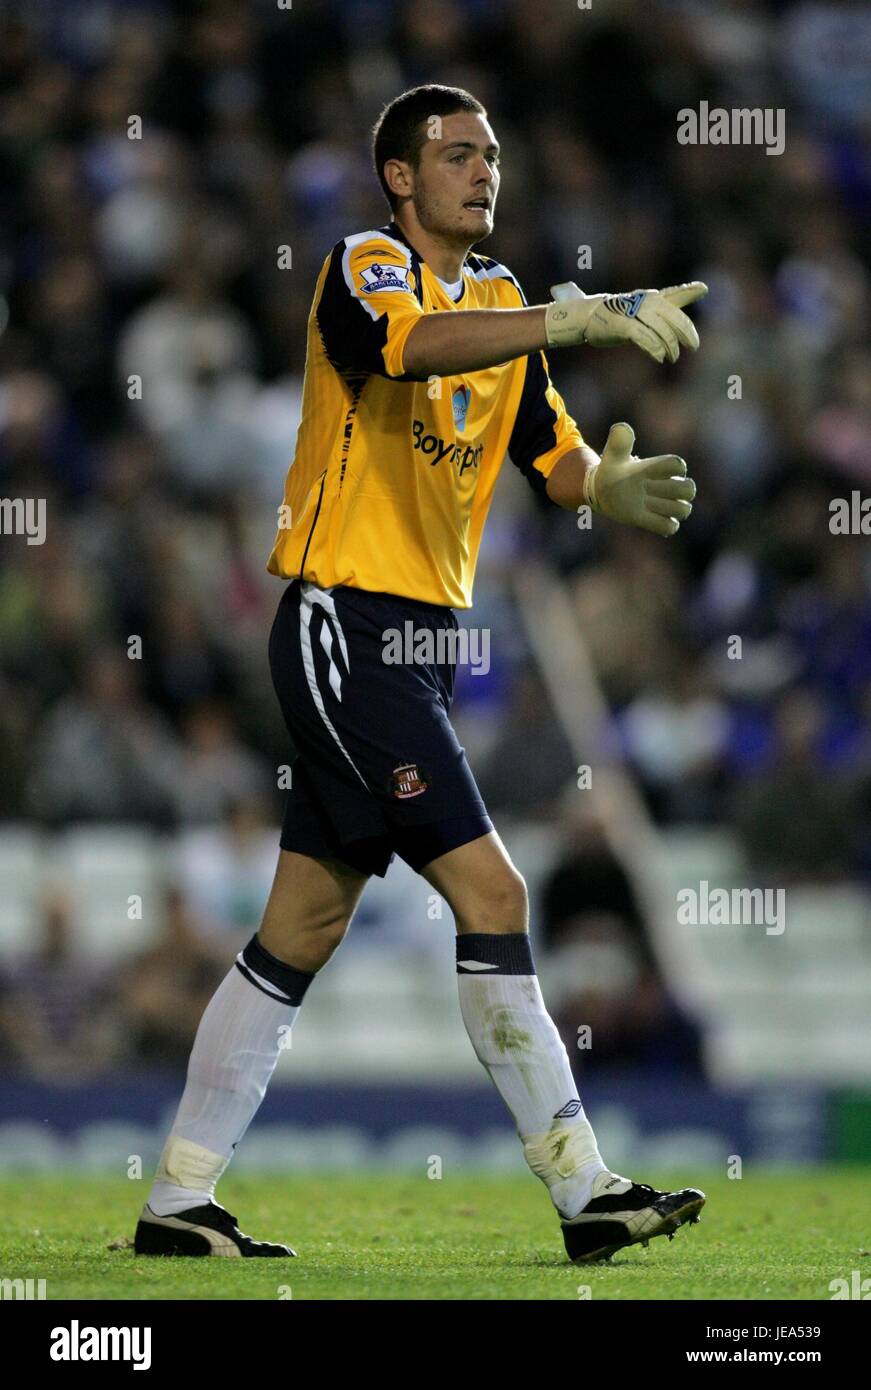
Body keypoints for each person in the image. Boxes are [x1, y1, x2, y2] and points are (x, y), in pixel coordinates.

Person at [135, 84, 705, 1265]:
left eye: (491, 153)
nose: (482, 171)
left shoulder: (501, 298)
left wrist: (602, 485)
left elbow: (543, 450)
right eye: (456, 154)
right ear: (401, 176)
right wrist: (584, 313)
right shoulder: (365, 268)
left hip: (423, 646)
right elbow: (407, 351)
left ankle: (178, 1201)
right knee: (494, 895)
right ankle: (583, 1186)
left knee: (302, 920)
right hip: (343, 621)